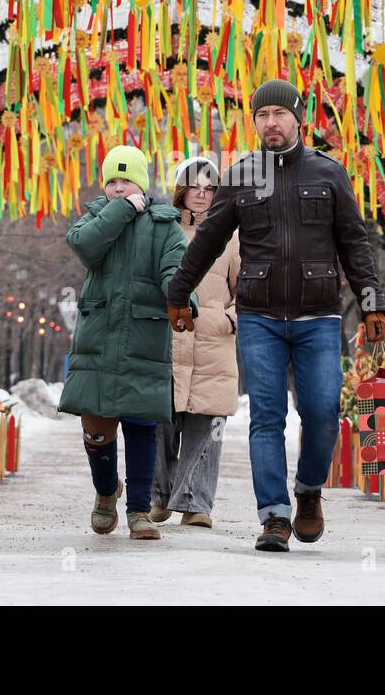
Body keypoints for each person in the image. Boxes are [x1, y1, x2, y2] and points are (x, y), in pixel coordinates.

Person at [165, 79, 385, 552]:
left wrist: (372, 301)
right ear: (254, 123)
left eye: (279, 114)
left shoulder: (329, 174)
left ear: (297, 118)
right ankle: (274, 516)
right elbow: (207, 242)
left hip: (319, 317)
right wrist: (178, 292)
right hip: (259, 316)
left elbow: (354, 241)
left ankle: (308, 491)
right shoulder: (241, 176)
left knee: (323, 411)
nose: (271, 123)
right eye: (262, 115)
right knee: (266, 416)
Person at [59, 144, 198, 540]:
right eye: (113, 182)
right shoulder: (95, 220)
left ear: (142, 184)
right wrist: (121, 210)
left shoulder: (164, 226)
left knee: (140, 428)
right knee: (97, 430)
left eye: (128, 182)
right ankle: (106, 493)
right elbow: (85, 247)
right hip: (98, 339)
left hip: (144, 338)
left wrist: (181, 298)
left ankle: (138, 510)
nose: (119, 189)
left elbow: (176, 269)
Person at [150, 157, 241, 529]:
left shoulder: (234, 238)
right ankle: (158, 497)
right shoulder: (161, 232)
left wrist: (228, 319)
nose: (201, 195)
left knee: (207, 426)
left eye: (209, 188)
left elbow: (247, 288)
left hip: (213, 344)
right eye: (194, 187)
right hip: (166, 343)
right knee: (160, 423)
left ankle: (196, 502)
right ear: (180, 191)